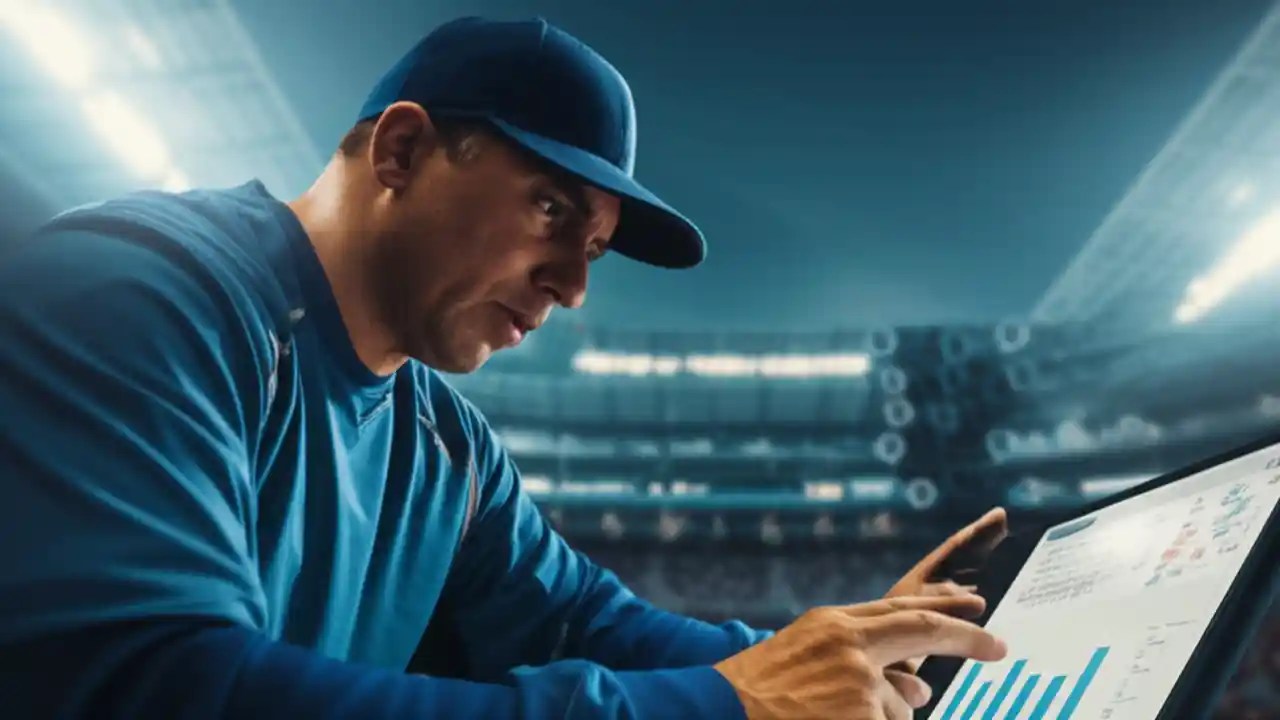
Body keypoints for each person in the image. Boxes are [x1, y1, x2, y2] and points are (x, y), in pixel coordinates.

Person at [0, 15, 1009, 720]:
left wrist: (838, 644)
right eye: (552, 211)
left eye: (596, 249)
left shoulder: (442, 441)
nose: (573, 286)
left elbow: (582, 622)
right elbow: (149, 688)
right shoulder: (139, 292)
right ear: (400, 152)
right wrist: (717, 705)